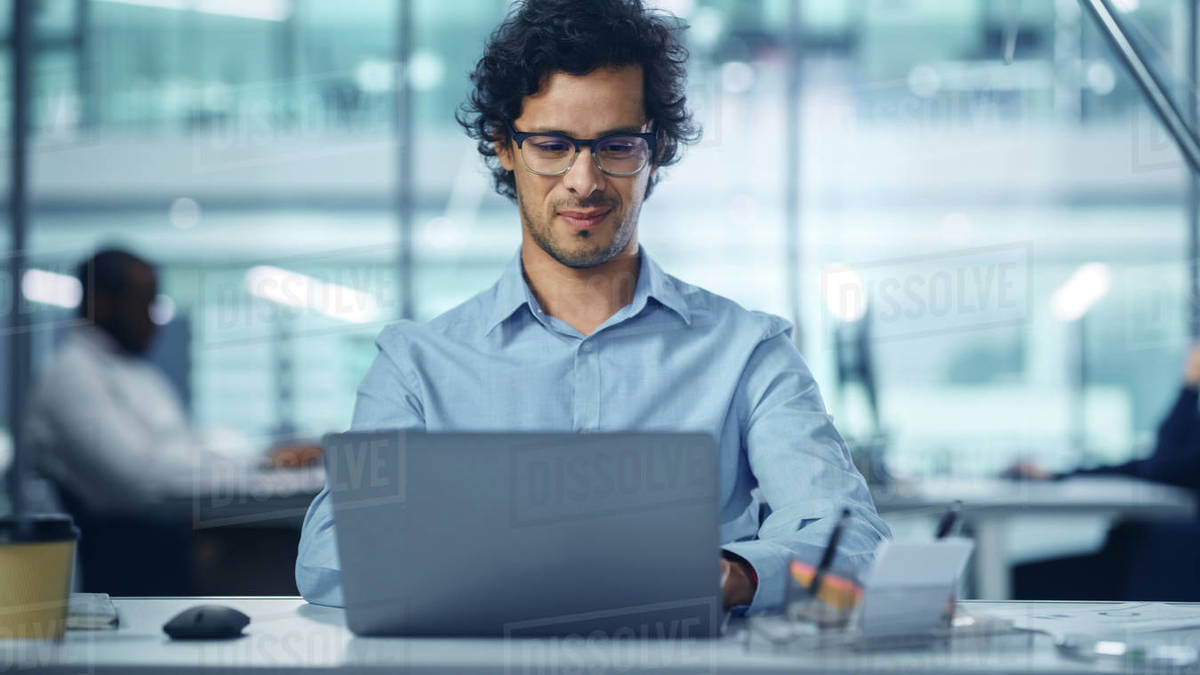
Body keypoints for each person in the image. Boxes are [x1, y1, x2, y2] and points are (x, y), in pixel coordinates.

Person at [296, 0, 890, 613]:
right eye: (552, 145)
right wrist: (536, 567)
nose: (584, 180)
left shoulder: (749, 352)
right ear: (504, 146)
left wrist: (734, 571)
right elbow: (329, 550)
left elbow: (855, 542)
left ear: (655, 149)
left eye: (616, 145)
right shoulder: (416, 366)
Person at [28, 248, 319, 513]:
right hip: (128, 549)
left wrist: (262, 462)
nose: (153, 320)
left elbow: (183, 449)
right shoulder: (70, 375)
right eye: (142, 304)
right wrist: (259, 467)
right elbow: (140, 480)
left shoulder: (138, 374)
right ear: (100, 304)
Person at [1009, 346, 1200, 600]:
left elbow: (1162, 468)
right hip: (1148, 556)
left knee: (1017, 583)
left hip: (1166, 561)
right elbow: (1145, 466)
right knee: (1015, 579)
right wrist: (1057, 476)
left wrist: (1188, 388)